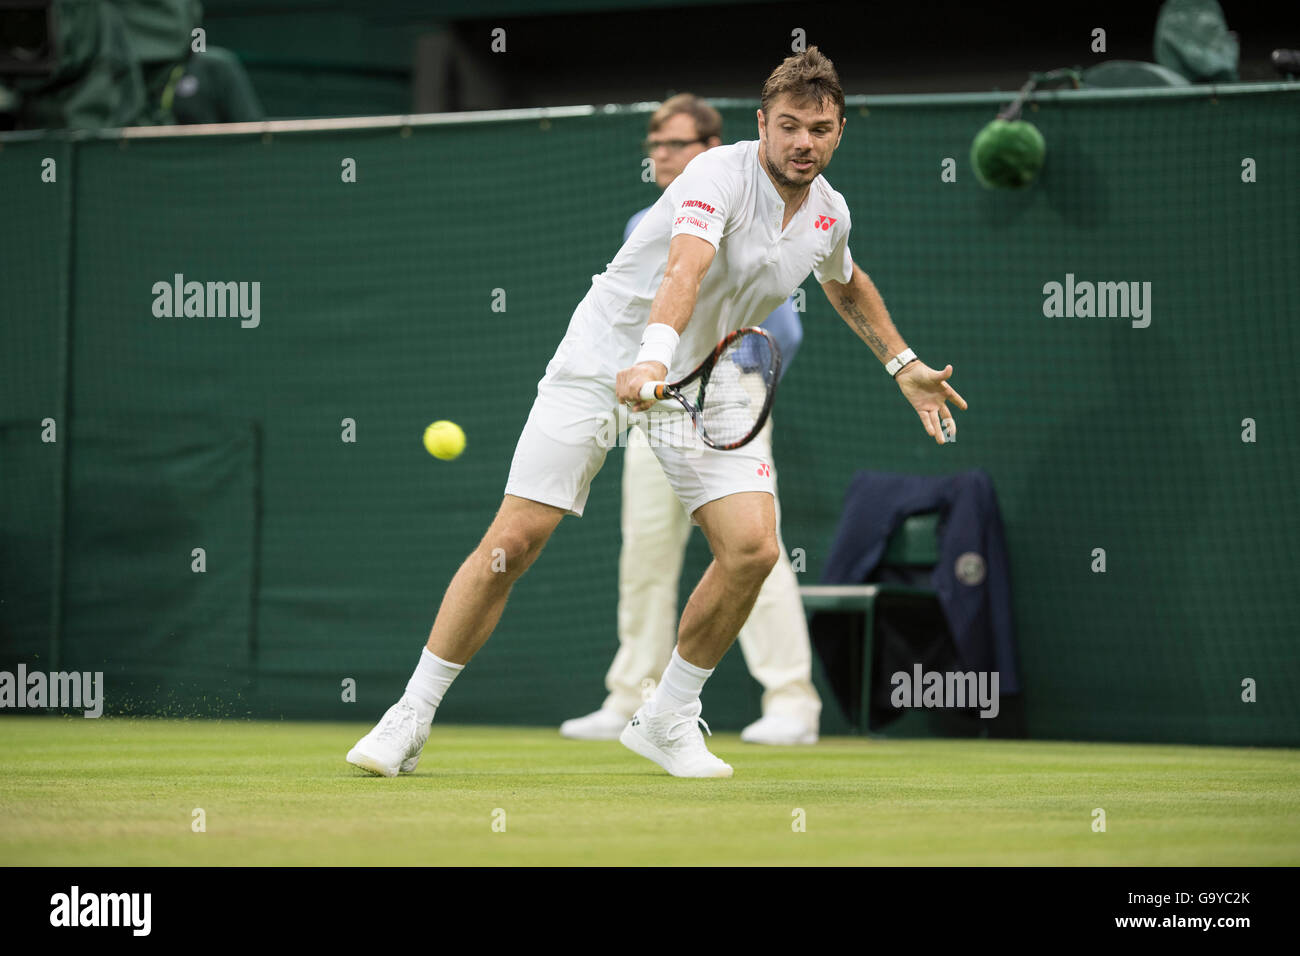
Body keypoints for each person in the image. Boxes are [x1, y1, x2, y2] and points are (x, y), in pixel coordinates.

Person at [347, 46, 966, 779]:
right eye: (791, 125)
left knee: (753, 550)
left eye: (821, 128)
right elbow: (687, 265)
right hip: (606, 358)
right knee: (515, 538)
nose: (805, 142)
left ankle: (668, 716)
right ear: (763, 124)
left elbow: (847, 281)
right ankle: (410, 715)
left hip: (701, 383)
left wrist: (904, 366)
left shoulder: (829, 213)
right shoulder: (715, 174)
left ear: (838, 133)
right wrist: (651, 354)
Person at [559, 94, 821, 746]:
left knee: (755, 551)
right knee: (645, 549)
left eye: (674, 145)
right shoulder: (641, 222)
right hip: (657, 403)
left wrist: (730, 374)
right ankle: (631, 697)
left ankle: (793, 702)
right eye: (654, 146)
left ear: (709, 150)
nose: (660, 156)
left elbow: (779, 325)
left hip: (728, 393)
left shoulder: (761, 218)